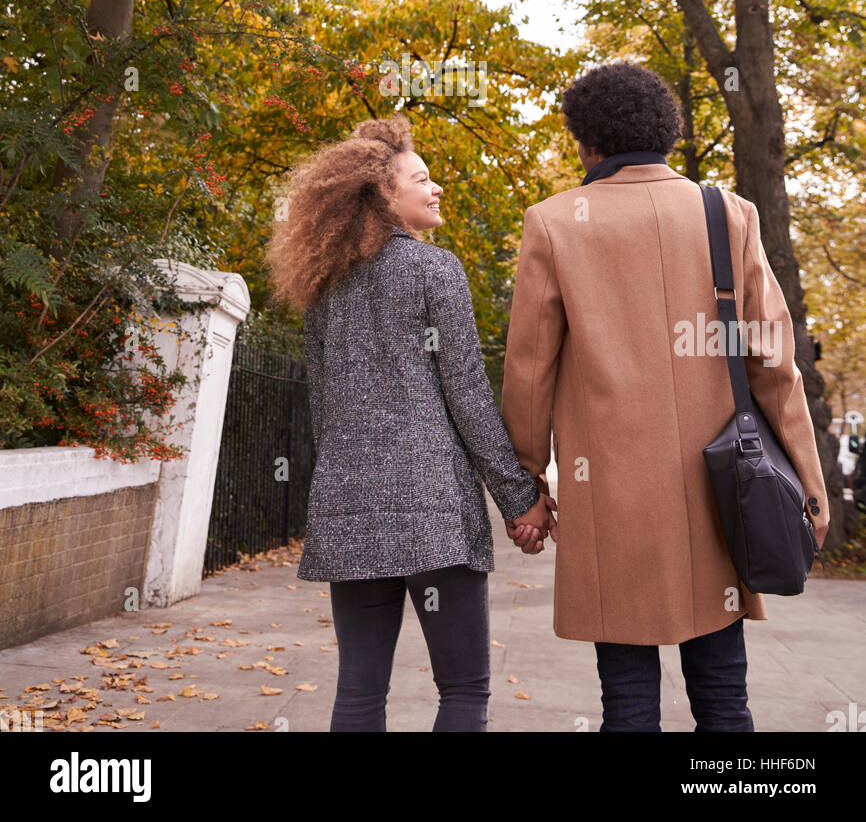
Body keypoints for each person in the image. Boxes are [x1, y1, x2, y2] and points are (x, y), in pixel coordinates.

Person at [500, 60, 830, 732]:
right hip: (722, 488)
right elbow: (774, 363)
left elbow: (528, 373)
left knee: (625, 697)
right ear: (668, 131)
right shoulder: (727, 213)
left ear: (587, 141)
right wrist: (810, 488)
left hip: (611, 497)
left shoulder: (556, 221)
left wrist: (528, 479)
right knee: (724, 695)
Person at [265, 114, 552, 732]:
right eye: (421, 179)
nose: (436, 187)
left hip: (350, 505)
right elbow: (469, 396)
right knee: (465, 690)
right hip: (434, 505)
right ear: (382, 195)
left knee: (360, 692)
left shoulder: (323, 288)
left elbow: (324, 409)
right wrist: (519, 498)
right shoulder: (434, 269)